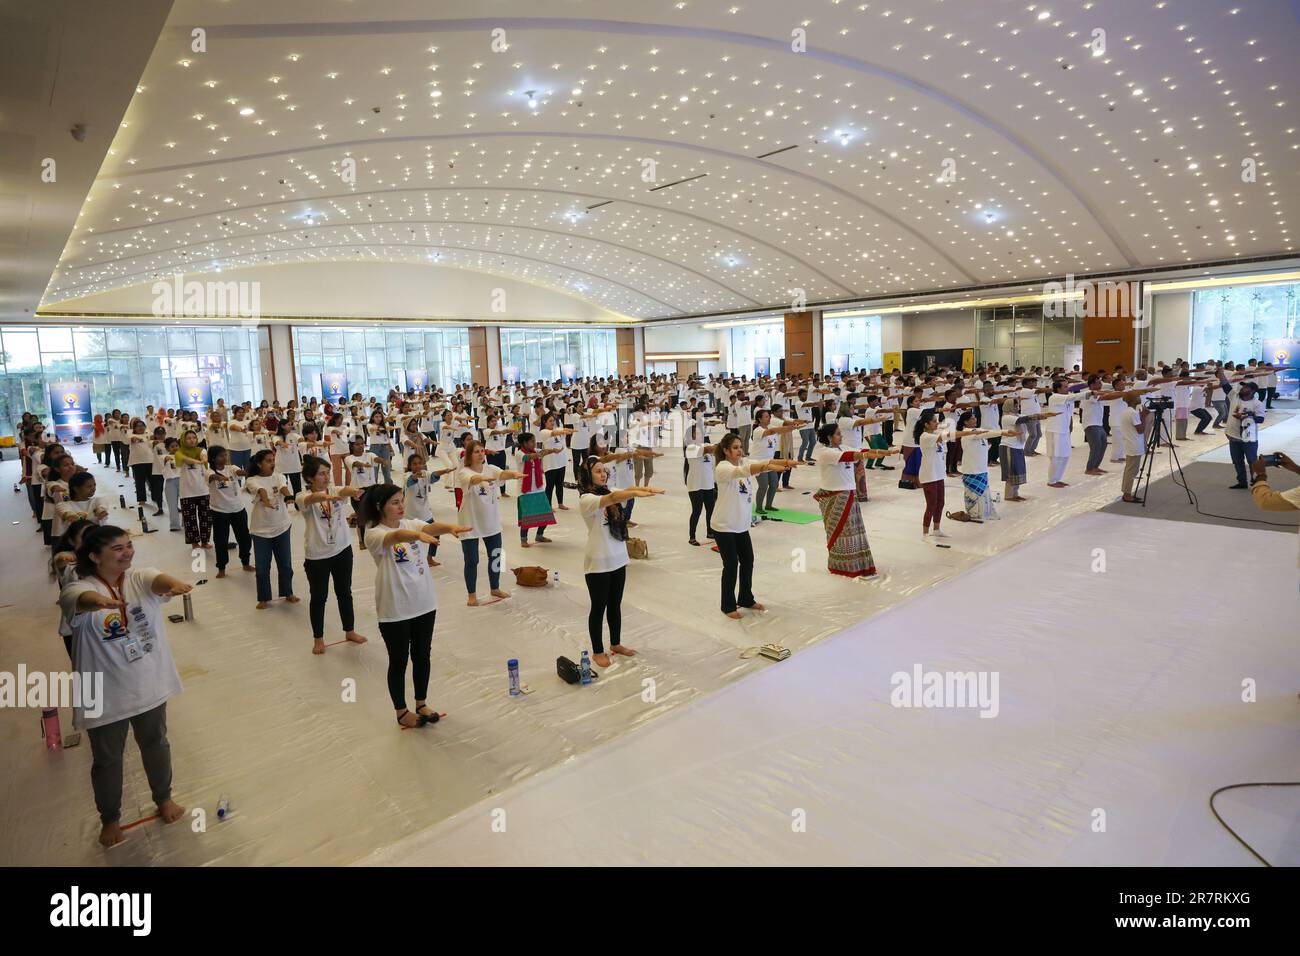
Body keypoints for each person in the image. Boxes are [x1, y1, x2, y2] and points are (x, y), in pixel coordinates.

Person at [58, 525, 192, 848]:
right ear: (94, 556)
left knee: (156, 742)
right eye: (118, 548)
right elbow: (79, 600)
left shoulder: (137, 577)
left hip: (147, 683)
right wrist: (99, 602)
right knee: (107, 759)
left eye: (129, 545)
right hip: (104, 692)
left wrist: (174, 584)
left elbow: (156, 580)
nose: (127, 552)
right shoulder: (76, 587)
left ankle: (164, 798)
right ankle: (110, 818)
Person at [356, 484, 469, 728]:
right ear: (380, 506)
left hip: (424, 602)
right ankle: (401, 711)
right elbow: (395, 537)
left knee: (422, 655)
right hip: (395, 607)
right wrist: (417, 536)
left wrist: (450, 527)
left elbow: (428, 527)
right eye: (394, 502)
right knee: (399, 660)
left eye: (401, 501)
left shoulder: (409, 523)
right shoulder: (374, 533)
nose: (401, 506)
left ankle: (421, 702)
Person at [578, 457, 662, 667]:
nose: (603, 474)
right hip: (598, 561)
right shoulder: (587, 499)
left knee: (615, 604)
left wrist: (645, 489)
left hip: (617, 558)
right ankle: (598, 651)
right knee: (598, 607)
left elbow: (622, 490)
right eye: (598, 471)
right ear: (588, 475)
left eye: (603, 470)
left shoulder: (608, 491)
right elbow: (616, 496)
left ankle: (615, 643)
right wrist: (634, 492)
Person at [713, 433, 804, 619]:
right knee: (730, 565)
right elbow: (749, 470)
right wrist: (767, 466)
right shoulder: (723, 467)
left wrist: (786, 462)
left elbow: (763, 460)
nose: (740, 450)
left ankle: (745, 598)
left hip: (741, 525)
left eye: (740, 446)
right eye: (735, 447)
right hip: (724, 525)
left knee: (748, 561)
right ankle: (728, 605)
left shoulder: (743, 462)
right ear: (726, 451)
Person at [296, 455, 367, 654]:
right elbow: (312, 498)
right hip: (317, 556)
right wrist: (325, 497)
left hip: (342, 550)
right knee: (319, 597)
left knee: (345, 592)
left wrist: (354, 491)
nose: (327, 477)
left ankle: (350, 630)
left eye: (328, 473)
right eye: (321, 474)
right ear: (310, 478)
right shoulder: (302, 497)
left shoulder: (335, 490)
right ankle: (318, 638)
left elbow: (345, 490)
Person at [811, 422, 892, 576]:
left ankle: (858, 564)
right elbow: (852, 456)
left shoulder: (843, 447)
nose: (841, 436)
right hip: (834, 496)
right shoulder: (824, 452)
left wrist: (883, 452)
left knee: (854, 532)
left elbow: (861, 450)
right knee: (842, 533)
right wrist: (870, 454)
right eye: (837, 434)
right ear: (829, 437)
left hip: (849, 494)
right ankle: (841, 566)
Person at [455, 440, 526, 606]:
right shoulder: (463, 472)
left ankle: (495, 587)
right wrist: (483, 478)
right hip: (470, 522)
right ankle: (471, 594)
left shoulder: (491, 468)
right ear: (469, 455)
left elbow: (502, 474)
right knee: (471, 560)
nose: (480, 454)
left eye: (482, 451)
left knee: (496, 556)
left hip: (491, 522)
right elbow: (473, 479)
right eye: (476, 452)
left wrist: (514, 475)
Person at [244, 450, 298, 609]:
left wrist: (289, 497)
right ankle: (263, 597)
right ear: (259, 464)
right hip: (261, 530)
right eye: (268, 461)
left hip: (282, 526)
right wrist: (266, 500)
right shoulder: (251, 480)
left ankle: (288, 592)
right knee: (262, 567)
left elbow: (282, 487)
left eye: (273, 460)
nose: (272, 463)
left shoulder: (279, 476)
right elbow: (260, 490)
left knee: (285, 564)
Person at [750, 408, 807, 516]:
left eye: (769, 416)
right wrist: (790, 427)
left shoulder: (772, 428)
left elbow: (780, 430)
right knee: (763, 486)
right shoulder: (758, 430)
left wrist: (793, 428)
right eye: (766, 417)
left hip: (771, 461)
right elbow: (772, 431)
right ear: (759, 419)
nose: (769, 418)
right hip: (758, 462)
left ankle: (769, 505)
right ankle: (758, 507)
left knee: (774, 484)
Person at [207, 446, 252, 577]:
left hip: (238, 509)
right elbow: (211, 477)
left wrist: (249, 471)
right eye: (221, 456)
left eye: (225, 455)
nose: (225, 458)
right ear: (213, 458)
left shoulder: (231, 468)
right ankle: (221, 567)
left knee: (244, 538)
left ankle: (246, 562)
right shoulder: (208, 471)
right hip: (219, 511)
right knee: (221, 541)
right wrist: (218, 477)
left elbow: (240, 472)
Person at [514, 431, 556, 548]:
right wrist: (541, 453)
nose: (534, 443)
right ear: (524, 443)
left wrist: (553, 450)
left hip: (538, 488)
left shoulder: (535, 451)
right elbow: (529, 457)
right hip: (525, 490)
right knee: (526, 517)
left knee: (546, 515)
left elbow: (542, 452)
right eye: (532, 441)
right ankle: (523, 539)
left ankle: (539, 535)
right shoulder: (519, 454)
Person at [175, 429, 212, 549]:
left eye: (194, 438)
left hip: (203, 489)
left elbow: (204, 456)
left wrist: (203, 459)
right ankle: (194, 542)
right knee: (190, 519)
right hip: (187, 491)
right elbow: (186, 460)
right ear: (183, 440)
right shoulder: (179, 453)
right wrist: (199, 461)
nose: (192, 440)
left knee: (206, 517)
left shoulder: (201, 450)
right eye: (189, 438)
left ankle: (205, 541)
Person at [1225, 380, 1266, 490]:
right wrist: (1221, 376)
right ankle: (1242, 482)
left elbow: (1261, 419)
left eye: (1246, 387)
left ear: (1252, 391)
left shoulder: (1257, 404)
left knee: (1252, 461)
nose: (1242, 389)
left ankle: (1257, 481)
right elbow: (1225, 386)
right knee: (1237, 461)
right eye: (1243, 387)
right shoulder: (1235, 397)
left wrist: (1246, 417)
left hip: (1249, 438)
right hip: (1233, 436)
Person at [685, 434, 718, 547]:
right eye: (696, 434)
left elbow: (713, 462)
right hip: (695, 485)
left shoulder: (706, 445)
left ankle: (710, 532)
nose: (699, 436)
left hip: (708, 484)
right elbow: (711, 449)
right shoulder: (690, 448)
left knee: (711, 509)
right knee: (697, 510)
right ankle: (692, 536)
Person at [538, 412, 575, 511]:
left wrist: (569, 430)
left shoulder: (556, 430)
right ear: (545, 422)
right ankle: (548, 505)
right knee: (550, 486)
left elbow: (561, 435)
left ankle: (560, 503)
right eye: (550, 421)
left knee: (560, 484)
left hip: (561, 462)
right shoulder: (544, 432)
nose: (552, 422)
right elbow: (556, 432)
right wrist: (565, 430)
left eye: (553, 421)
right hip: (550, 464)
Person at [1118, 392, 1149, 503]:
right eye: (1137, 396)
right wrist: (1144, 417)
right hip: (1134, 444)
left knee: (1129, 470)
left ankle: (1126, 492)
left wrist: (1141, 416)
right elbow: (1140, 430)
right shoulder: (1133, 413)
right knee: (1131, 471)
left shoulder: (1127, 412)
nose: (1139, 397)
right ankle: (1127, 494)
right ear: (1132, 400)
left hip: (1130, 443)